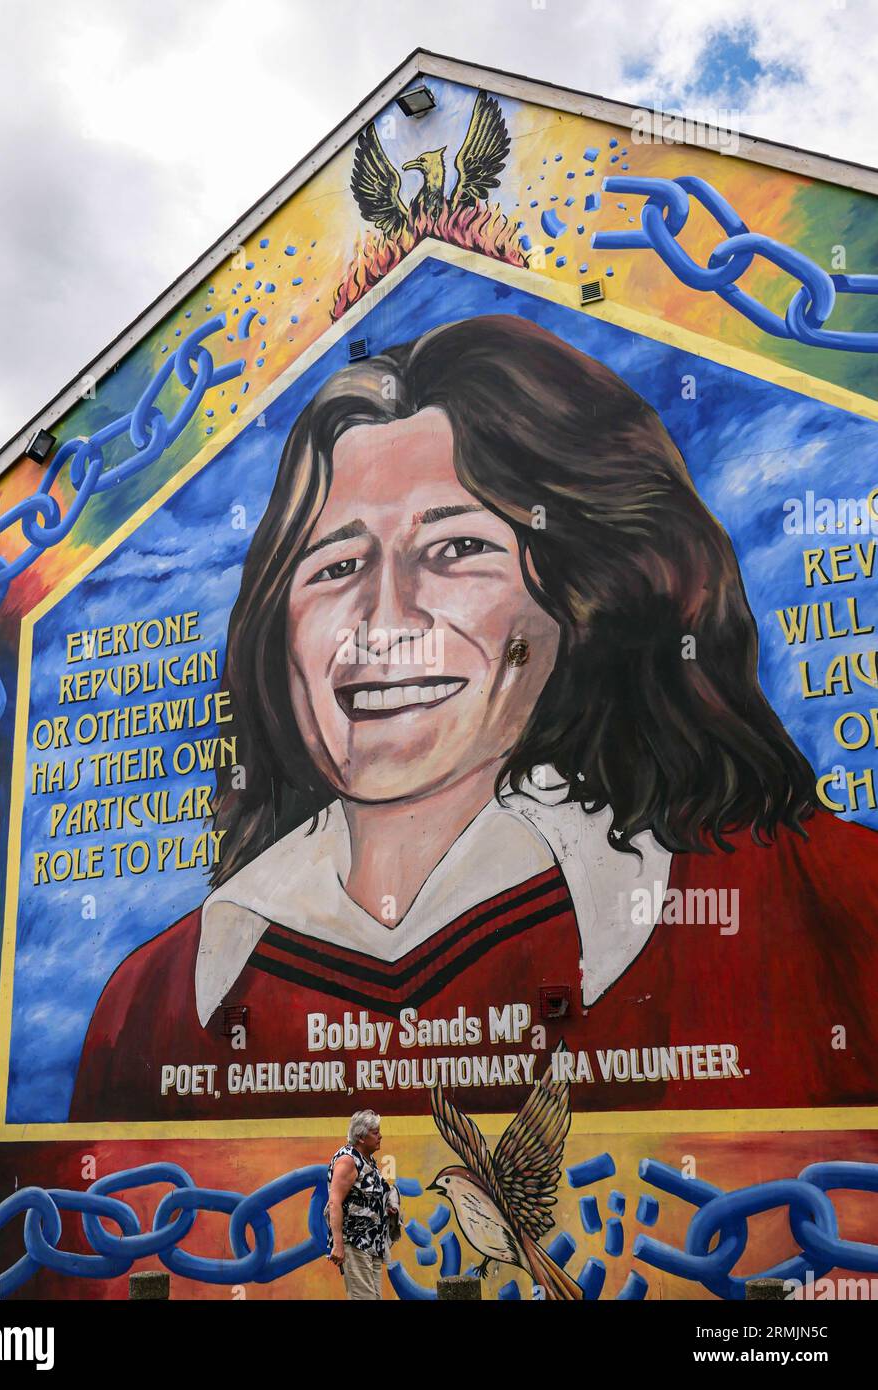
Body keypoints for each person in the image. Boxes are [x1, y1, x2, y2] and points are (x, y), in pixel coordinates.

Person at [70, 313, 878, 1123]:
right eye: (337, 566)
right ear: (276, 629)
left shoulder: (826, 909)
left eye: (457, 550)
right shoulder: (158, 1004)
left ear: (583, 593)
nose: (382, 620)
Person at [326, 1110, 389, 1300]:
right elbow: (334, 1202)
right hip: (355, 1241)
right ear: (361, 1137)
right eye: (375, 1132)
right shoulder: (348, 1160)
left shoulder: (367, 1160)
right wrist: (338, 1245)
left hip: (372, 1244)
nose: (380, 1136)